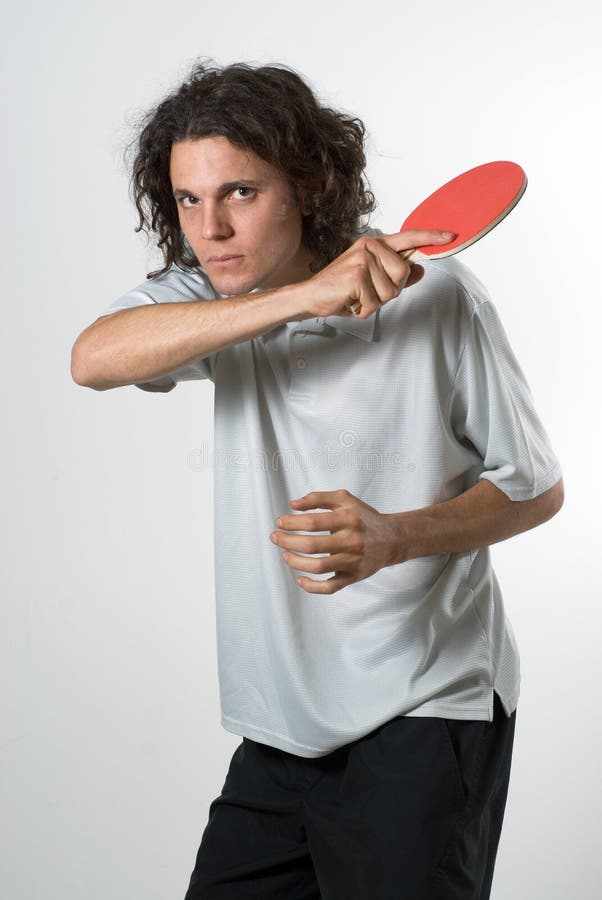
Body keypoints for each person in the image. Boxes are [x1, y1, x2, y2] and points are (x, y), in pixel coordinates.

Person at [71, 60, 564, 900]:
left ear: (310, 182)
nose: (211, 228)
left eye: (240, 193)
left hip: (423, 712)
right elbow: (93, 359)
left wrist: (393, 537)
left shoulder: (438, 298)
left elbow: (536, 488)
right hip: (281, 731)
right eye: (189, 200)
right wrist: (297, 300)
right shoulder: (208, 300)